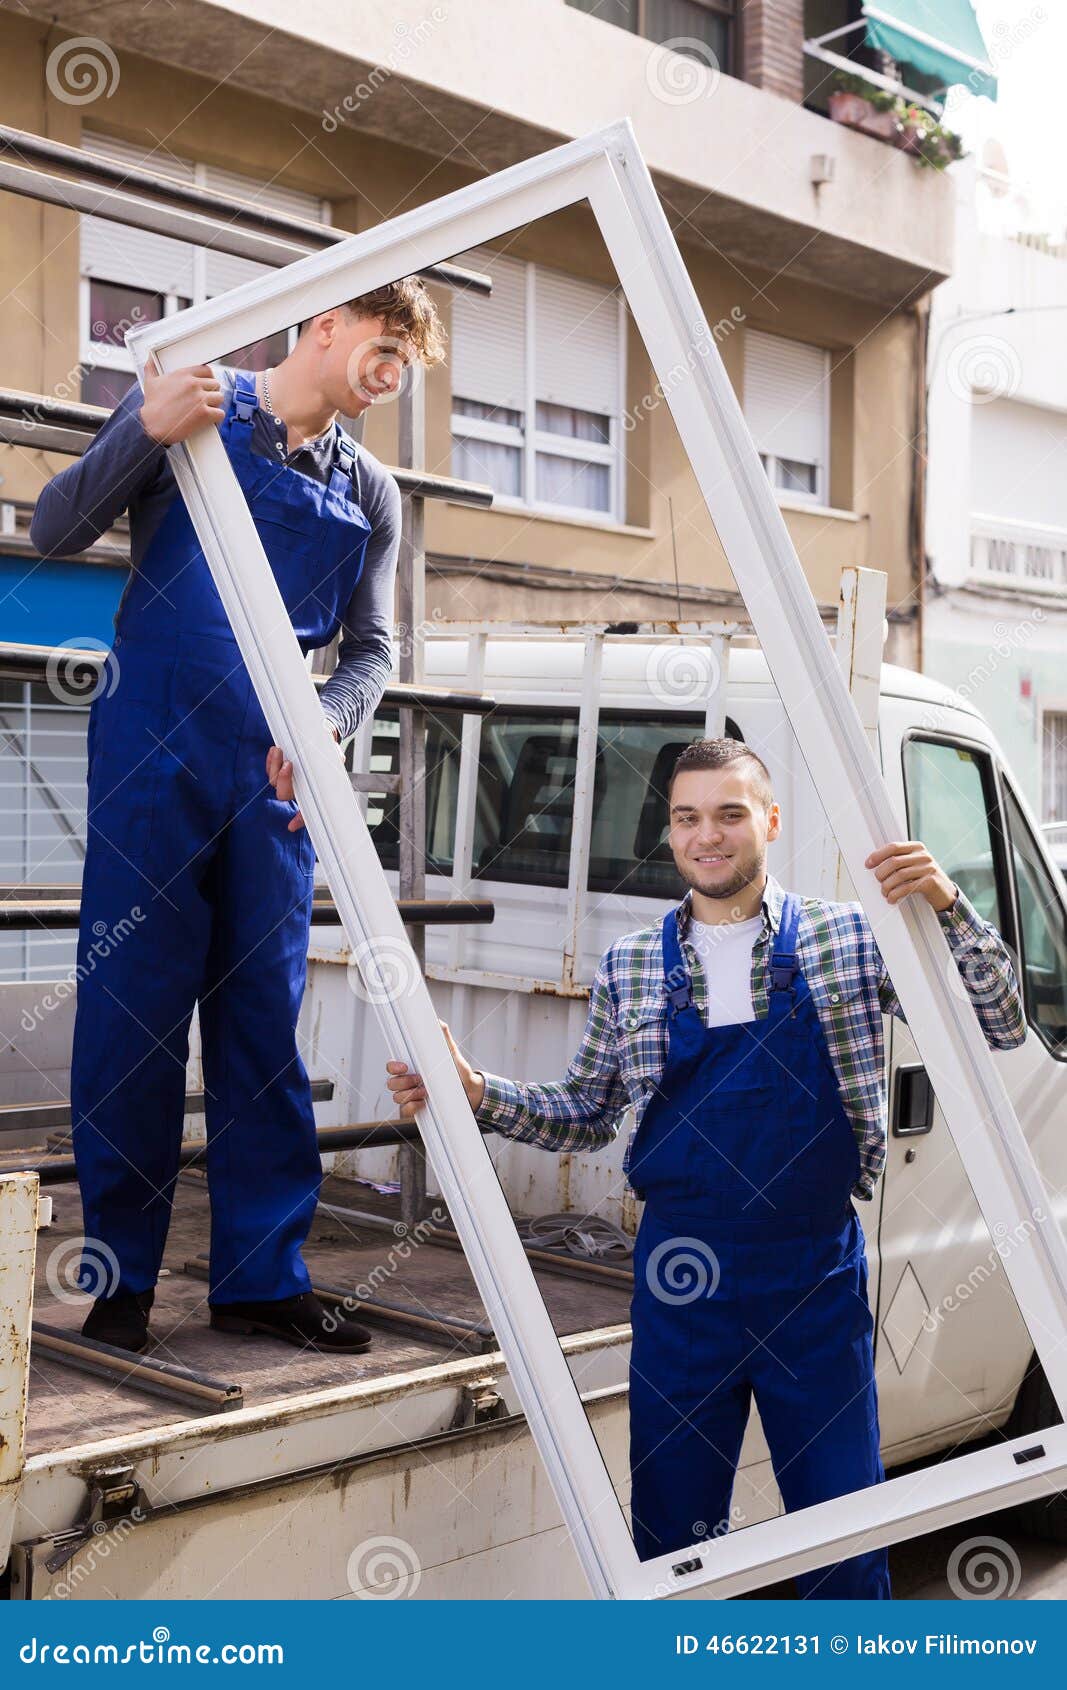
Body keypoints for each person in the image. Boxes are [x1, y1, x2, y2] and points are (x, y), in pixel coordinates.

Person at [385, 737, 1027, 1597]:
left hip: (811, 1269)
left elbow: (999, 1023)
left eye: (729, 813)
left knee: (841, 1526)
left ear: (767, 820)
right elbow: (584, 1112)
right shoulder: (632, 964)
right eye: (687, 817)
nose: (708, 834)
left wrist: (946, 905)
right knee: (675, 1540)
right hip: (682, 1278)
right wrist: (474, 1093)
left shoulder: (851, 940)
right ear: (670, 832)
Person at [31, 279, 446, 1358]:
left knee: (262, 1021)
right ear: (322, 325)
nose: (396, 363)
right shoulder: (188, 404)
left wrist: (329, 718)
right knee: (133, 1014)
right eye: (384, 337)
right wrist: (144, 434)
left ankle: (261, 1278)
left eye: (412, 353)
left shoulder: (370, 489)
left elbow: (372, 652)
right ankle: (119, 1286)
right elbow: (52, 523)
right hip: (152, 748)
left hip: (273, 778)